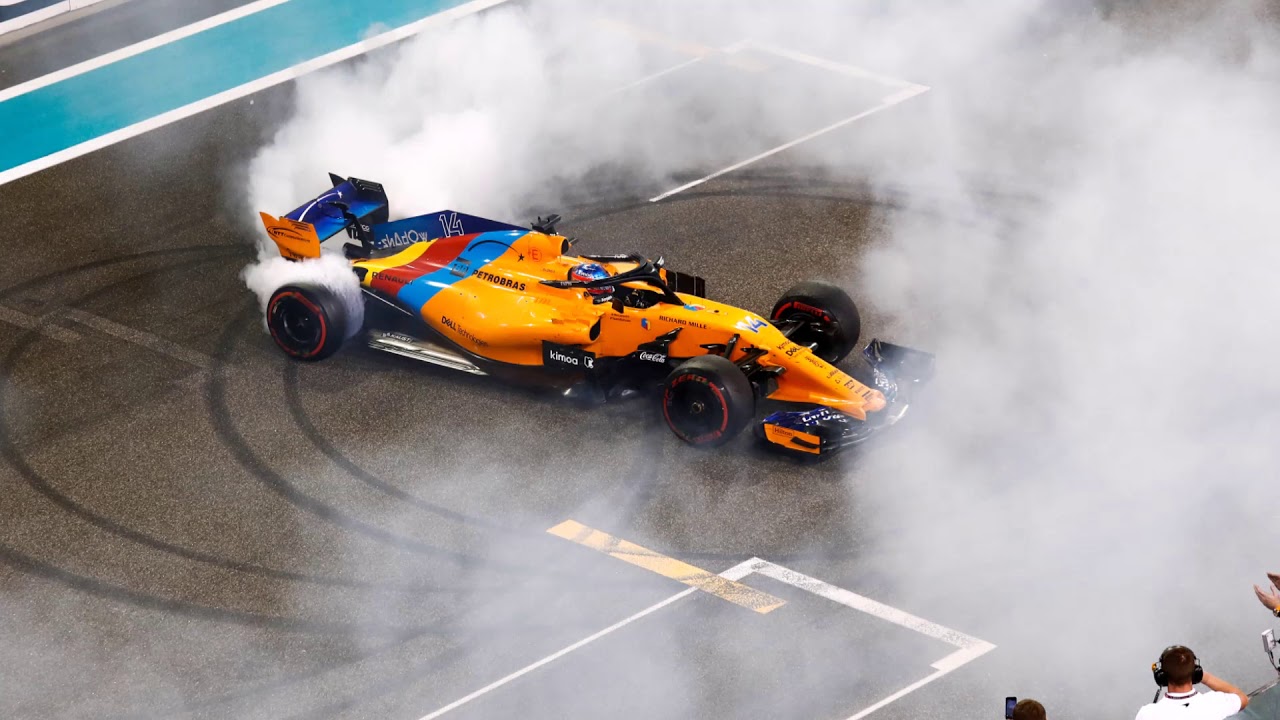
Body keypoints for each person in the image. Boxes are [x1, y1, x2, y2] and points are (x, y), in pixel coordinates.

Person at [1135, 645, 1249, 720]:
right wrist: (1206, 678)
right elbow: (1242, 698)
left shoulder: (1148, 714)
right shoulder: (1215, 702)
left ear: (1161, 676)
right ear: (1196, 673)